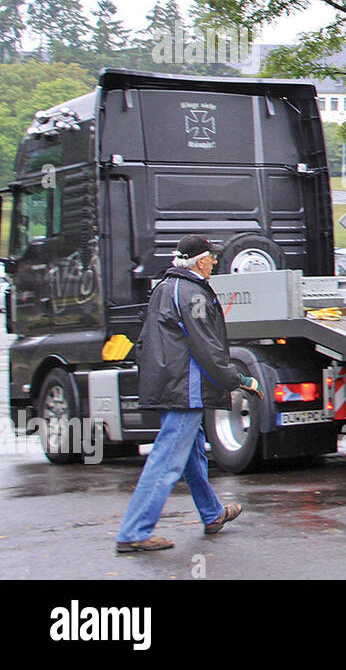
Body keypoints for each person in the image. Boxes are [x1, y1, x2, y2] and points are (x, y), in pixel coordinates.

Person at [116, 235, 262, 553]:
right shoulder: (192, 293)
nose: (214, 262)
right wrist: (238, 379)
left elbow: (146, 341)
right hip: (186, 389)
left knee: (192, 453)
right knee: (168, 458)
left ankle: (212, 514)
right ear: (198, 261)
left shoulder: (166, 287)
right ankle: (134, 531)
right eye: (211, 258)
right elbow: (206, 347)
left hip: (172, 383)